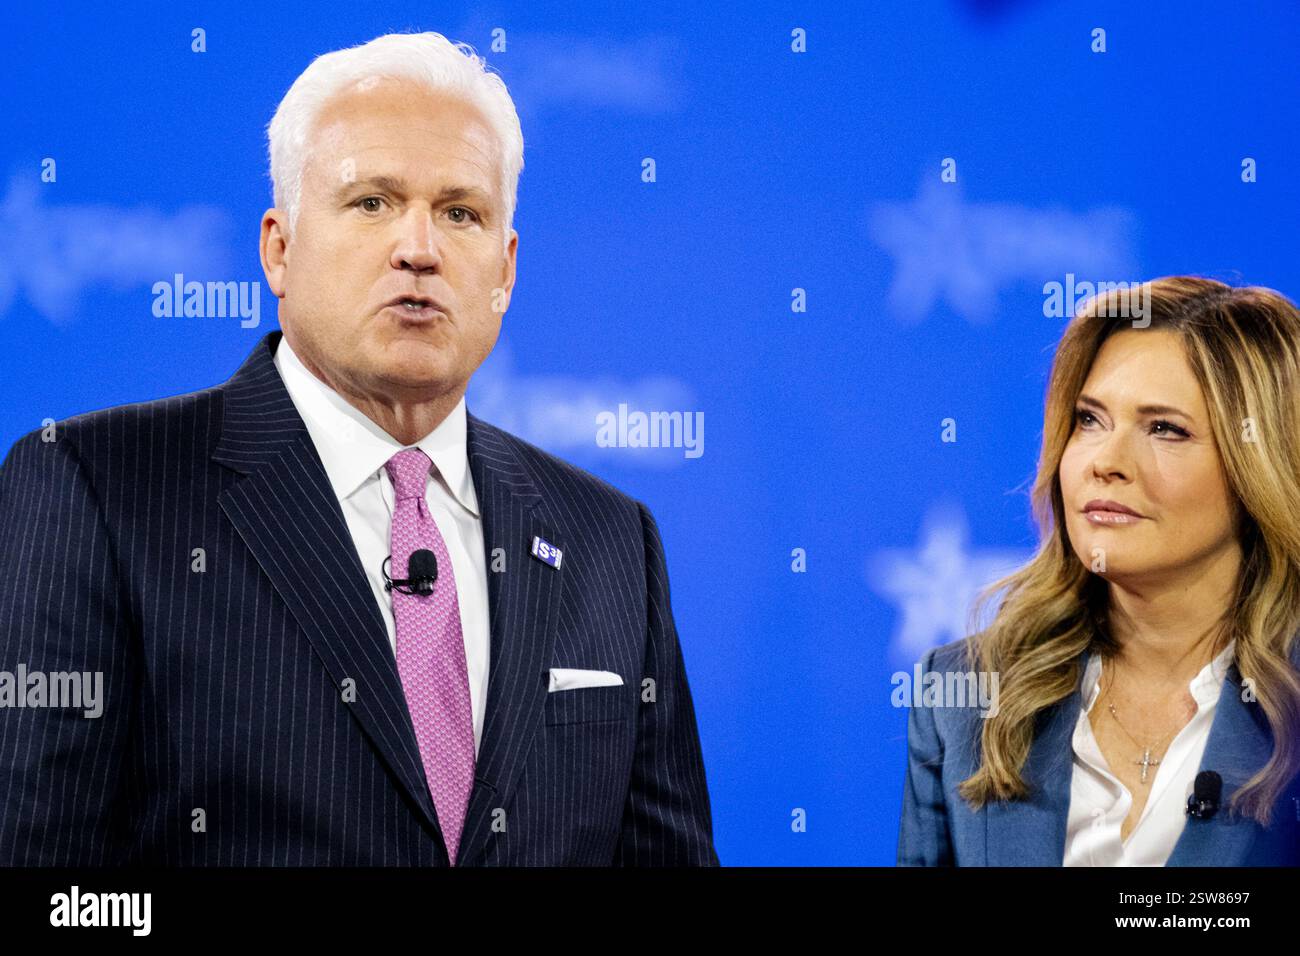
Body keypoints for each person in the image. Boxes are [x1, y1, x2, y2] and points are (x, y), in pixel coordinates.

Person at [0, 32, 719, 867]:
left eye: (461, 212)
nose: (420, 247)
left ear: (507, 268)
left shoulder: (610, 541)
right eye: (373, 201)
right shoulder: (95, 490)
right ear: (278, 248)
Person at [898, 276, 1300, 866]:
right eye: (1089, 420)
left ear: (1261, 464)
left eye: (1165, 428)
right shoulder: (964, 696)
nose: (1104, 463)